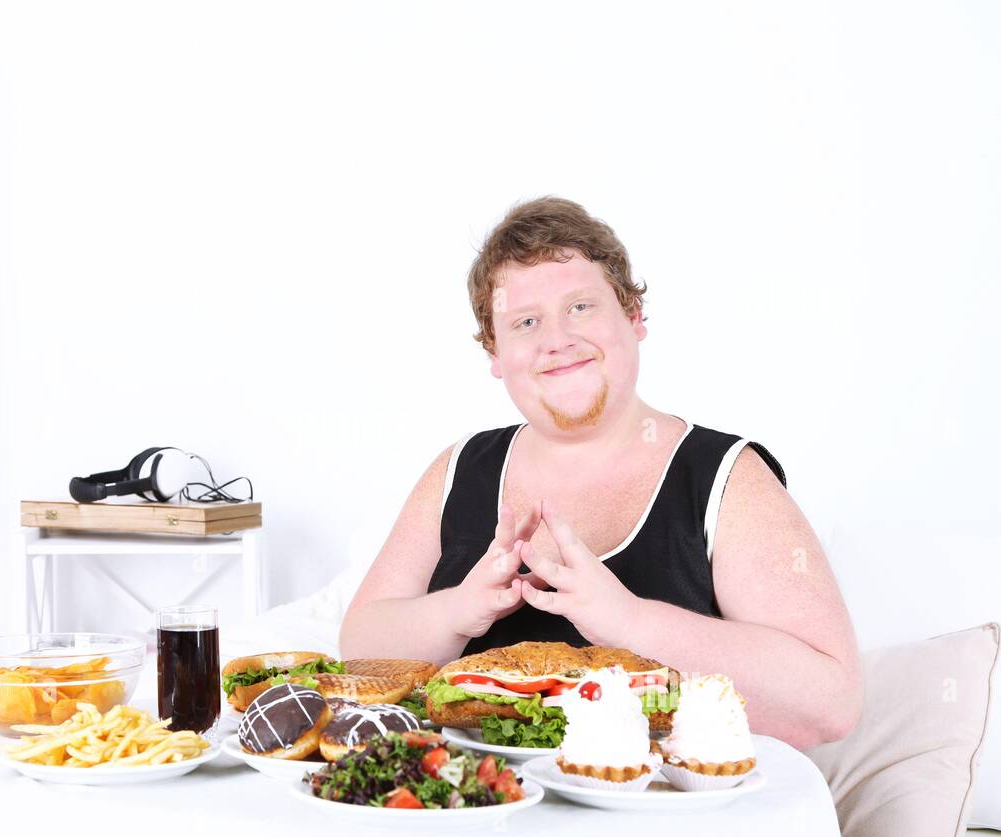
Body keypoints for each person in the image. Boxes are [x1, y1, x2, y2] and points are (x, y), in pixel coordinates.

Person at [339, 196, 861, 751]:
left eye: (581, 307)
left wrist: (630, 622)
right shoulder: (457, 471)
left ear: (634, 318)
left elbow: (830, 705)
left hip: (660, 825)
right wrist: (457, 611)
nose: (556, 339)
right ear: (496, 353)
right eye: (526, 322)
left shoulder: (725, 479)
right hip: (477, 817)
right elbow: (359, 649)